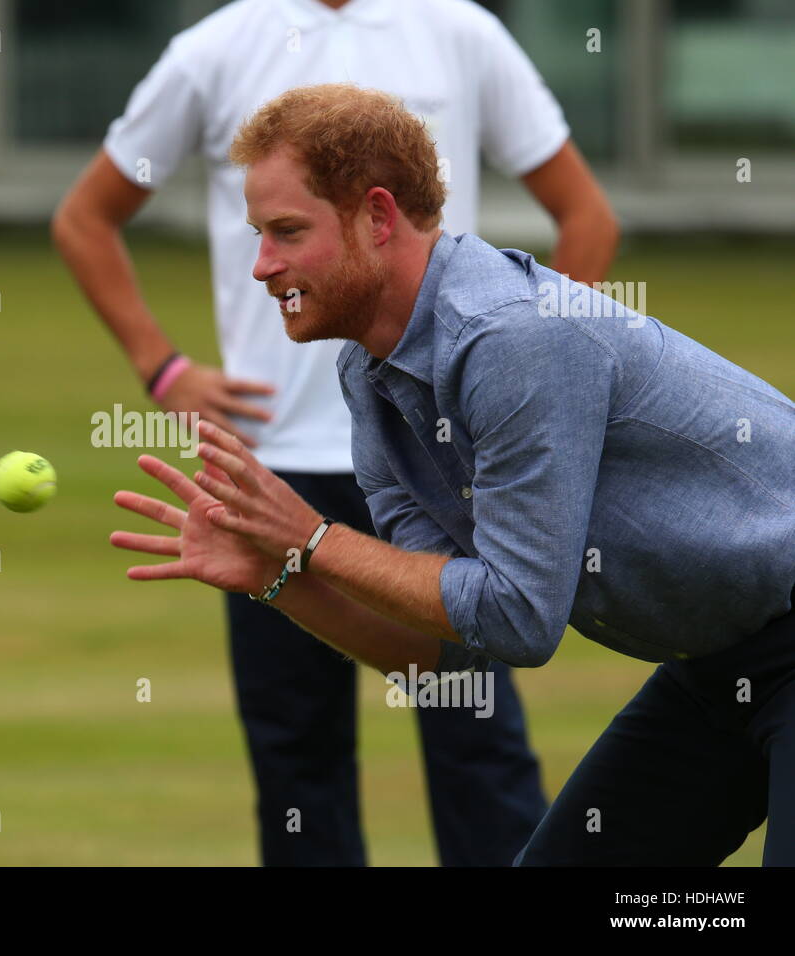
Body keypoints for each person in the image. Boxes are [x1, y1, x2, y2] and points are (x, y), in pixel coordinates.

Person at [111, 83, 795, 866]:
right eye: (258, 235)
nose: (263, 266)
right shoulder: (369, 376)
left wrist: (313, 537)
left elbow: (518, 618)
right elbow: (449, 655)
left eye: (286, 232)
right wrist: (280, 574)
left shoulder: (511, 339)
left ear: (376, 216)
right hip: (716, 670)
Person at [54, 0, 619, 865]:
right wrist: (165, 371)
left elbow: (587, 215)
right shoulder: (213, 47)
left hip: (436, 457)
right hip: (272, 466)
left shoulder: (460, 29)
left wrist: (522, 370)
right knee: (296, 764)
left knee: (478, 747)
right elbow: (85, 215)